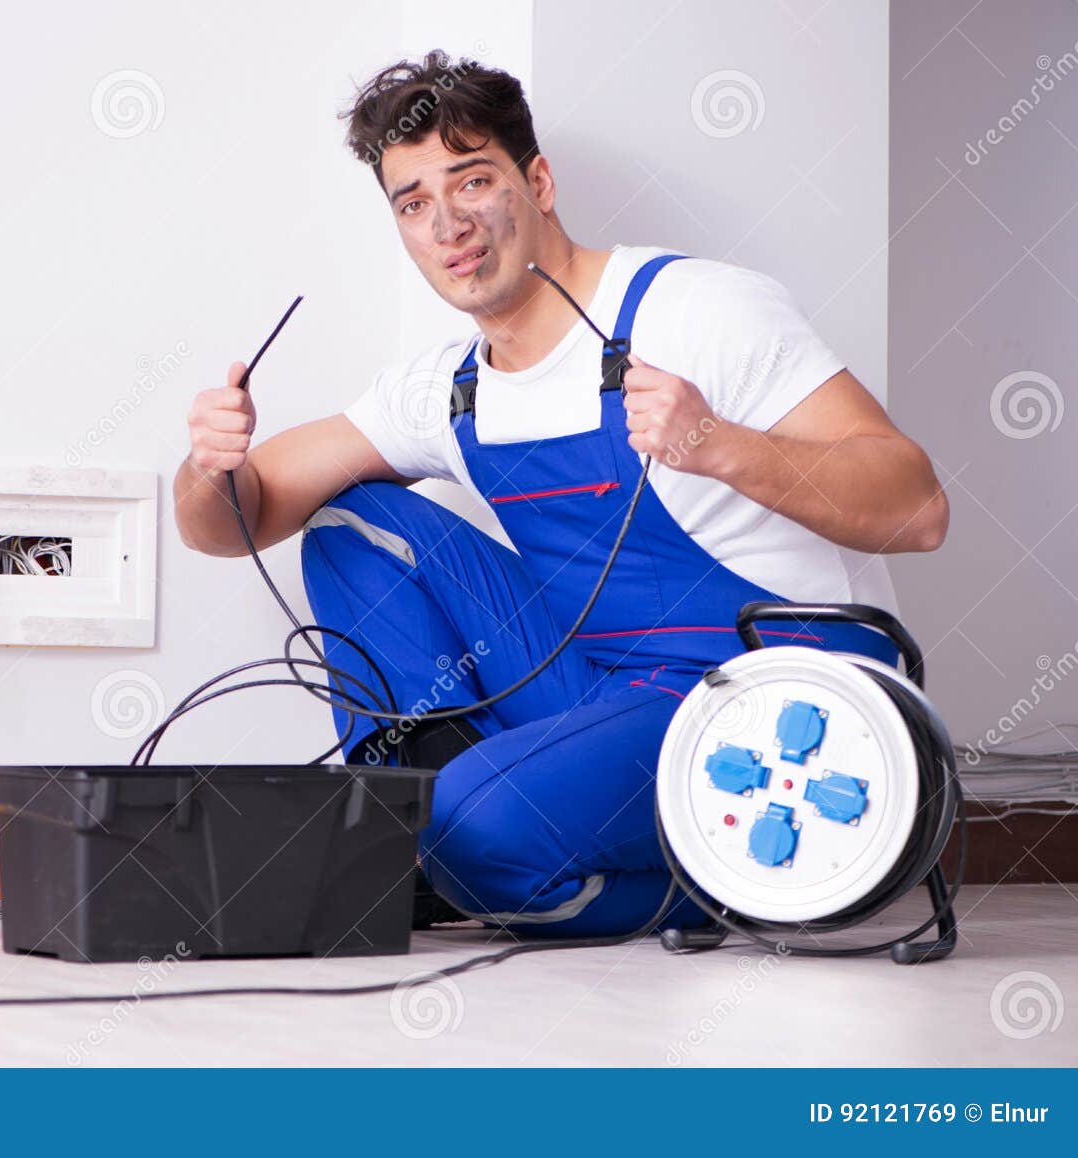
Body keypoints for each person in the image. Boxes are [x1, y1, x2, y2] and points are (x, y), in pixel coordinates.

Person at [173, 51, 948, 936]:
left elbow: (918, 508)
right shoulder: (445, 386)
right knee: (351, 524)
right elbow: (232, 523)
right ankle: (424, 841)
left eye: (473, 181)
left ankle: (686, 877)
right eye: (414, 202)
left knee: (474, 820)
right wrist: (211, 466)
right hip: (601, 688)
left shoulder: (696, 311)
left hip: (767, 695)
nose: (448, 224)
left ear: (536, 181)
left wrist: (719, 446)